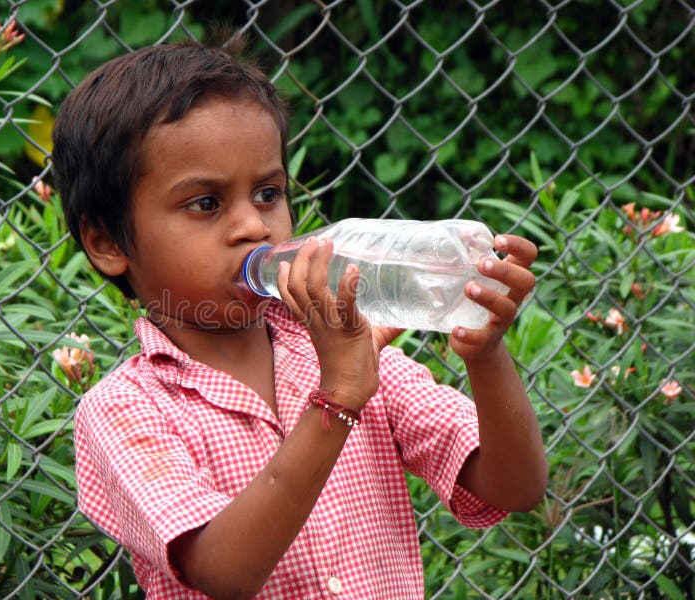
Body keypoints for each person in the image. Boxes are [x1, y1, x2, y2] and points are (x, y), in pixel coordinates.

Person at [51, 34, 548, 600]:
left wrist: (486, 355)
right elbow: (222, 569)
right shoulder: (124, 410)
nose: (254, 227)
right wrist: (336, 399)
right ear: (107, 241)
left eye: (267, 193)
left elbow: (516, 485)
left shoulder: (351, 349)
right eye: (206, 204)